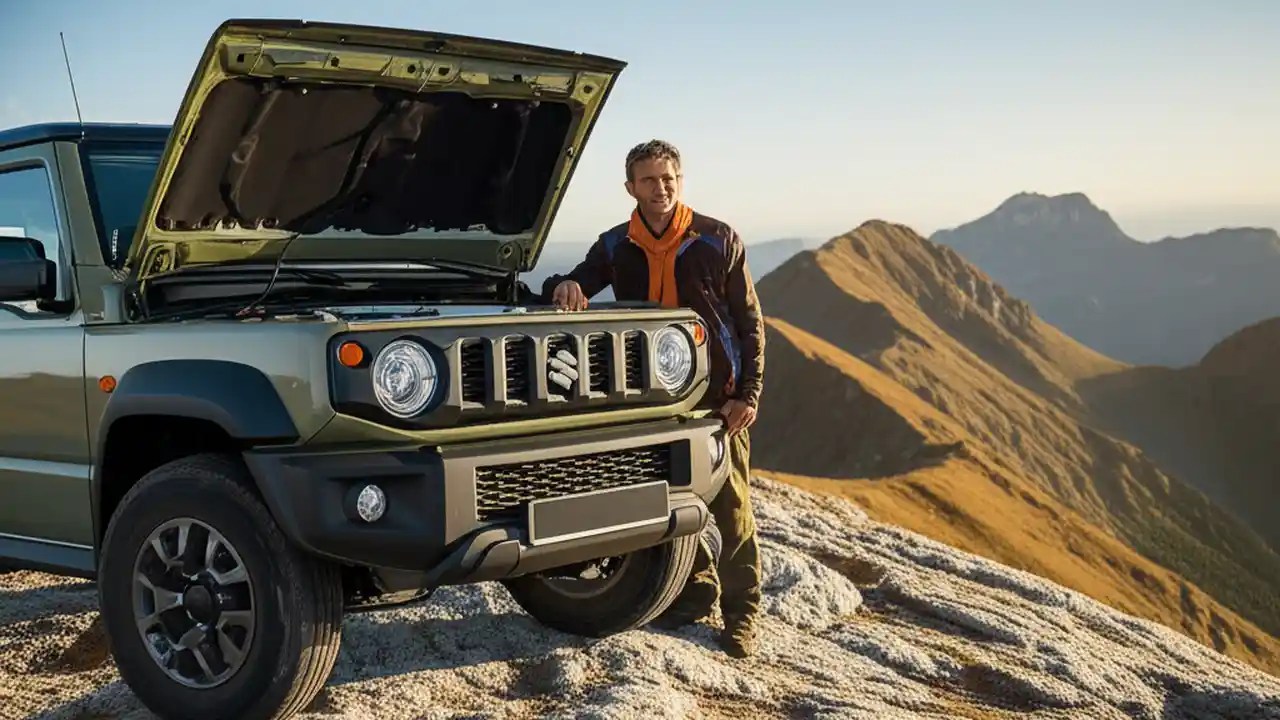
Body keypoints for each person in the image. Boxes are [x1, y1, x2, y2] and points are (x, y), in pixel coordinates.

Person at [543, 139, 766, 658]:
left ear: (679, 180)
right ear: (631, 188)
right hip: (651, 405)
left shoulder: (717, 239)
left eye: (669, 178)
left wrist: (748, 393)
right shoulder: (616, 244)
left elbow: (751, 324)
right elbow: (572, 281)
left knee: (732, 513)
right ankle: (694, 593)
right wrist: (565, 286)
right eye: (649, 180)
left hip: (717, 401)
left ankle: (743, 617)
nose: (661, 188)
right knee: (659, 506)